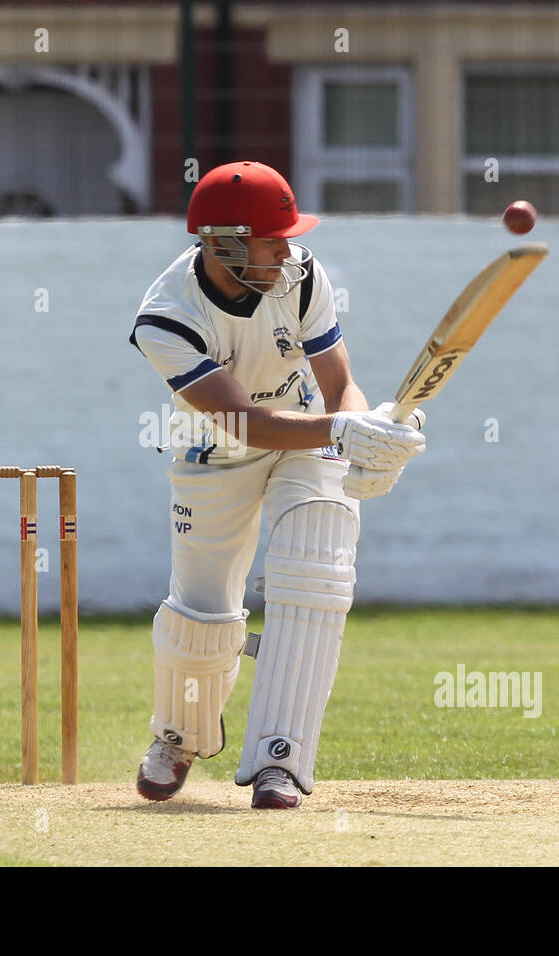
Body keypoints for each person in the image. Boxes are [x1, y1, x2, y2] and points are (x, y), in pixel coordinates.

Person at [127, 161, 426, 808]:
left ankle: (279, 762)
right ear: (224, 243)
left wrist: (368, 431)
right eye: (273, 240)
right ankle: (180, 735)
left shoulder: (302, 274)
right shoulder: (166, 318)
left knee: (315, 568)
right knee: (202, 618)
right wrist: (342, 432)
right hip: (219, 452)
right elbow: (249, 422)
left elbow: (338, 380)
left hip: (307, 441)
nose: (289, 251)